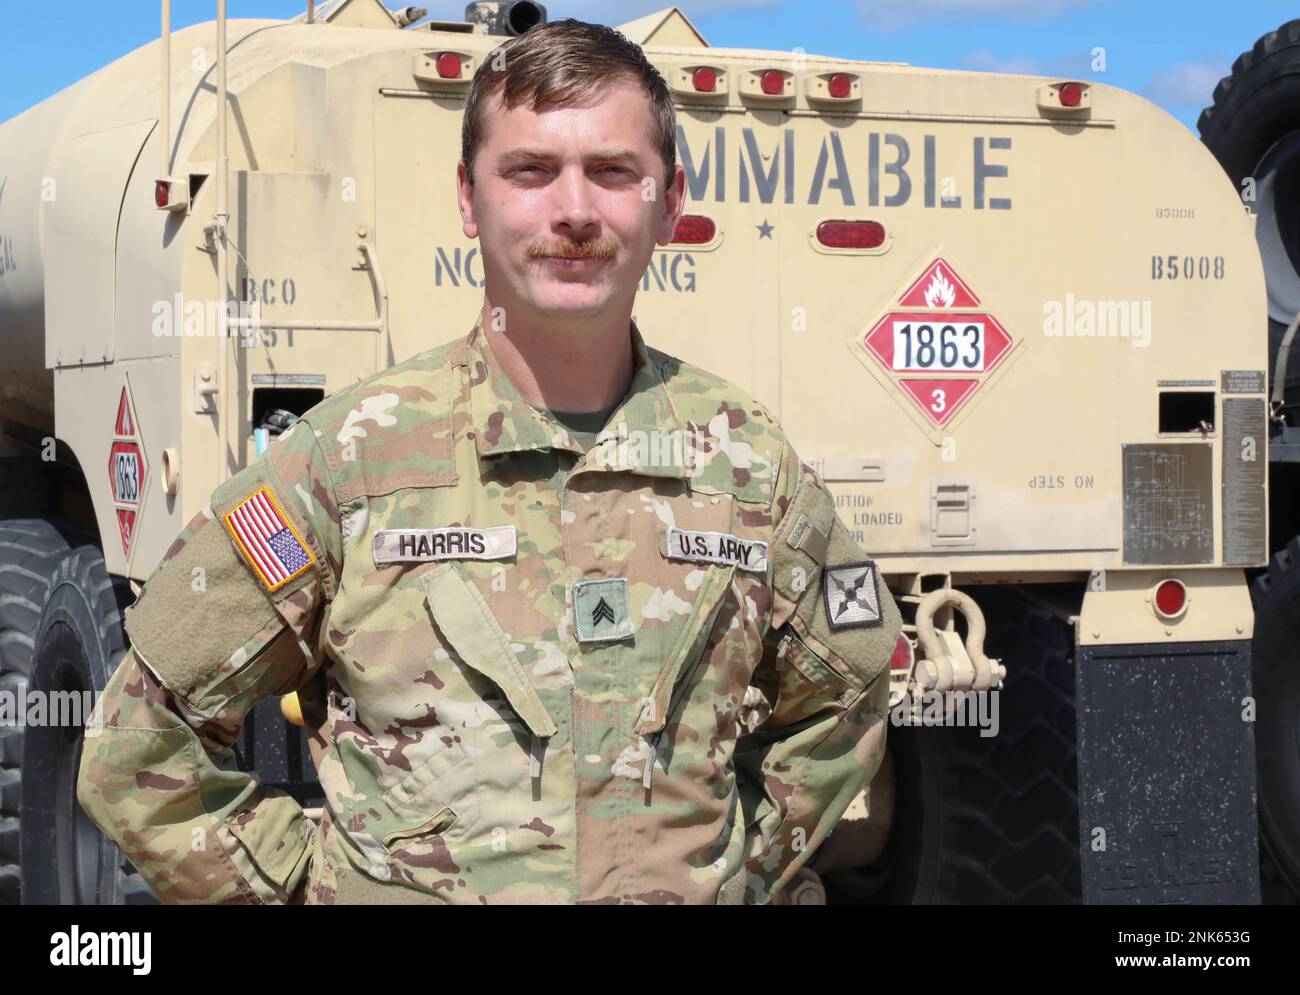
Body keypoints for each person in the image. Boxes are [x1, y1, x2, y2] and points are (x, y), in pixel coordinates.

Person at [77, 17, 902, 905]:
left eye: (614, 171)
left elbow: (851, 687)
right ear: (469, 200)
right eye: (531, 170)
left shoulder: (747, 462)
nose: (575, 210)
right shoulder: (346, 461)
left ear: (670, 203)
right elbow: (136, 746)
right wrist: (312, 889)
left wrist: (736, 871)